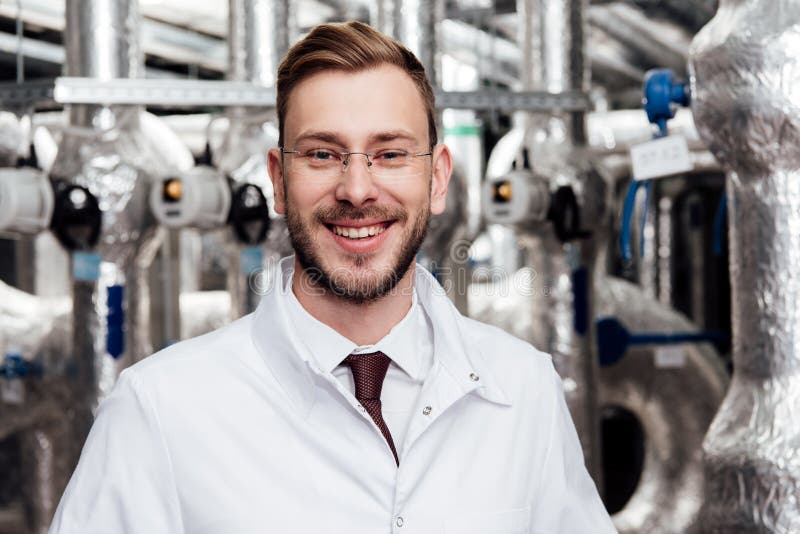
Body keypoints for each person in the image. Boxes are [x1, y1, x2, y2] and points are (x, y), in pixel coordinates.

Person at [49, 21, 616, 533]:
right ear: (277, 178)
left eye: (390, 154)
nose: (357, 189)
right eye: (322, 155)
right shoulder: (159, 411)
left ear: (438, 179)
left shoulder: (523, 392)